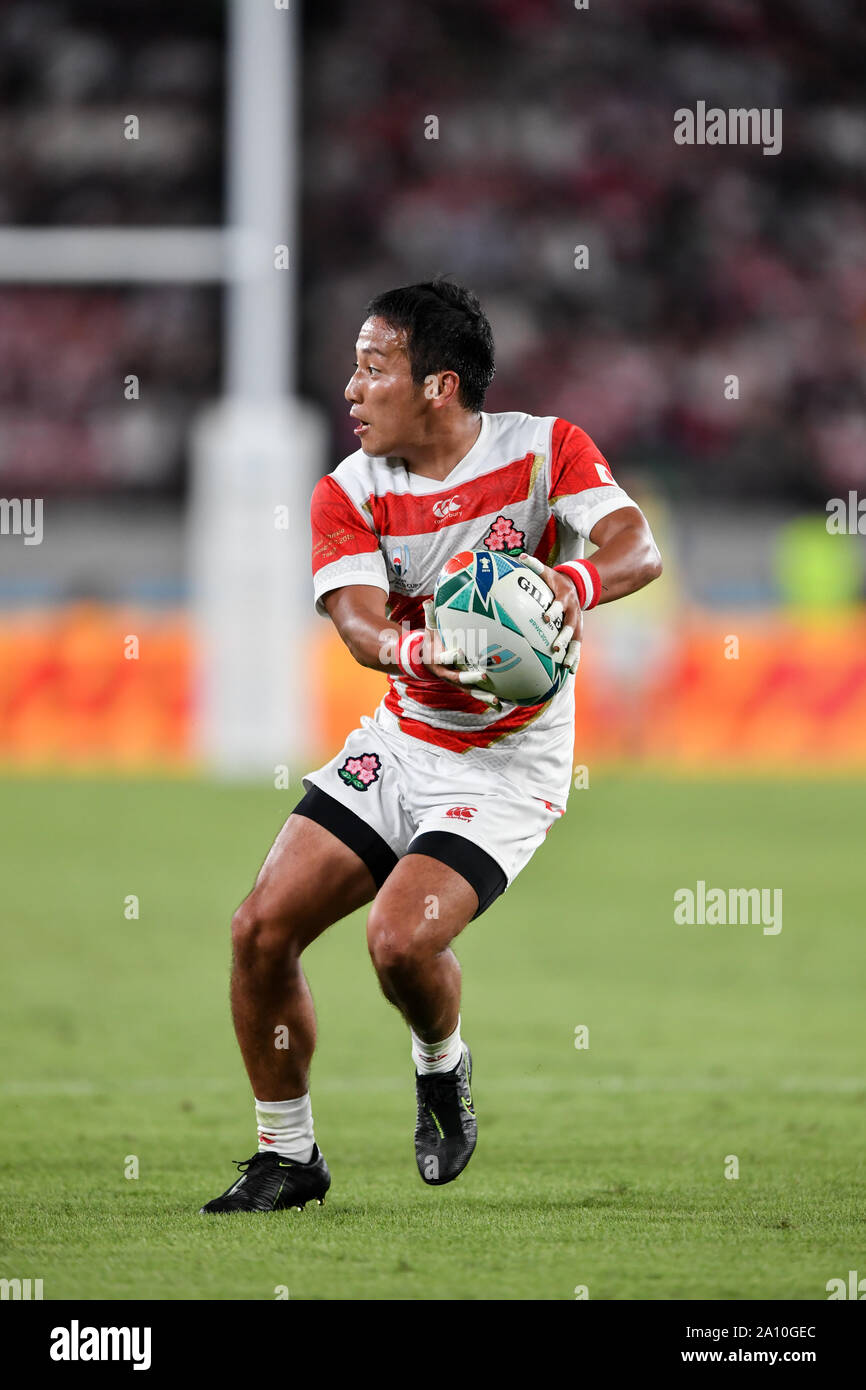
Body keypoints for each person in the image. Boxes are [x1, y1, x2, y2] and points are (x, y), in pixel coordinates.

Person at [201, 280, 661, 1213]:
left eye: (374, 367)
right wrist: (435, 648)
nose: (352, 388)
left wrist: (570, 582)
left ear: (438, 386)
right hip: (405, 737)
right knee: (259, 930)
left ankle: (440, 1066)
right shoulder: (350, 489)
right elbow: (362, 627)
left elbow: (635, 545)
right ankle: (288, 1157)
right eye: (355, 367)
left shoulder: (545, 451)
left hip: (506, 765)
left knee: (399, 943)